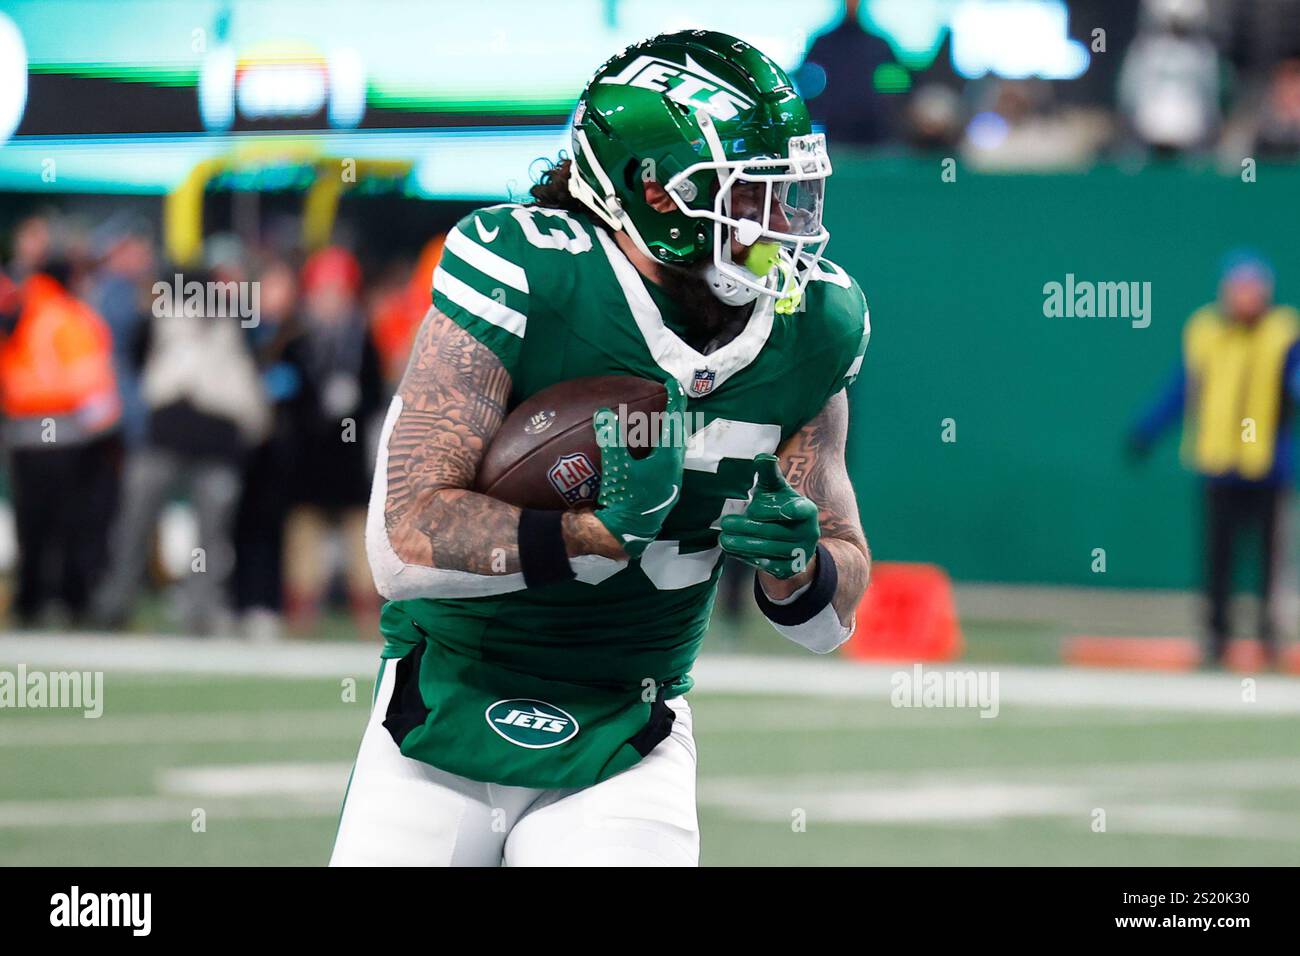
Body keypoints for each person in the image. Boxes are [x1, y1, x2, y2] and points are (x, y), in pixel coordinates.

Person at [331, 31, 872, 867]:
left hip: (630, 721)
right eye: (750, 195)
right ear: (651, 192)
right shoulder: (531, 271)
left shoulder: (813, 327)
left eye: (788, 192)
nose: (781, 224)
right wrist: (590, 536)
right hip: (444, 702)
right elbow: (402, 540)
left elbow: (832, 615)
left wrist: (802, 570)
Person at [1130, 250, 1300, 666]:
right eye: (1238, 288)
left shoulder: (1283, 334)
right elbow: (1182, 389)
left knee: (1266, 559)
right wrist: (1148, 430)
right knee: (1217, 557)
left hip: (1267, 465)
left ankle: (1267, 635)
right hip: (1219, 463)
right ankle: (1216, 635)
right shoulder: (1205, 331)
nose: (1245, 297)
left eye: (1252, 289)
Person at [92, 236, 269, 633]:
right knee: (135, 524)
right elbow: (136, 358)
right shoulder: (169, 316)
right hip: (166, 436)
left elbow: (250, 374)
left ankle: (201, 610)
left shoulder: (237, 322)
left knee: (210, 535)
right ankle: (116, 601)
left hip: (216, 441)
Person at [1, 233, 121, 626]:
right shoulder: (71, 316)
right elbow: (92, 382)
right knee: (74, 524)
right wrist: (106, 431)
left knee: (32, 524)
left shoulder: (19, 309)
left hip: (22, 433)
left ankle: (30, 601)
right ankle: (74, 600)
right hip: (69, 434)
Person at [279, 246, 384, 635]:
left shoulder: (361, 336)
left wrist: (354, 401)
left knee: (360, 533)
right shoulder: (298, 336)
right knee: (304, 531)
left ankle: (366, 608)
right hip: (307, 452)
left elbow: (376, 390)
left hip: (349, 453)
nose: (329, 298)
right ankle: (301, 608)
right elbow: (283, 390)